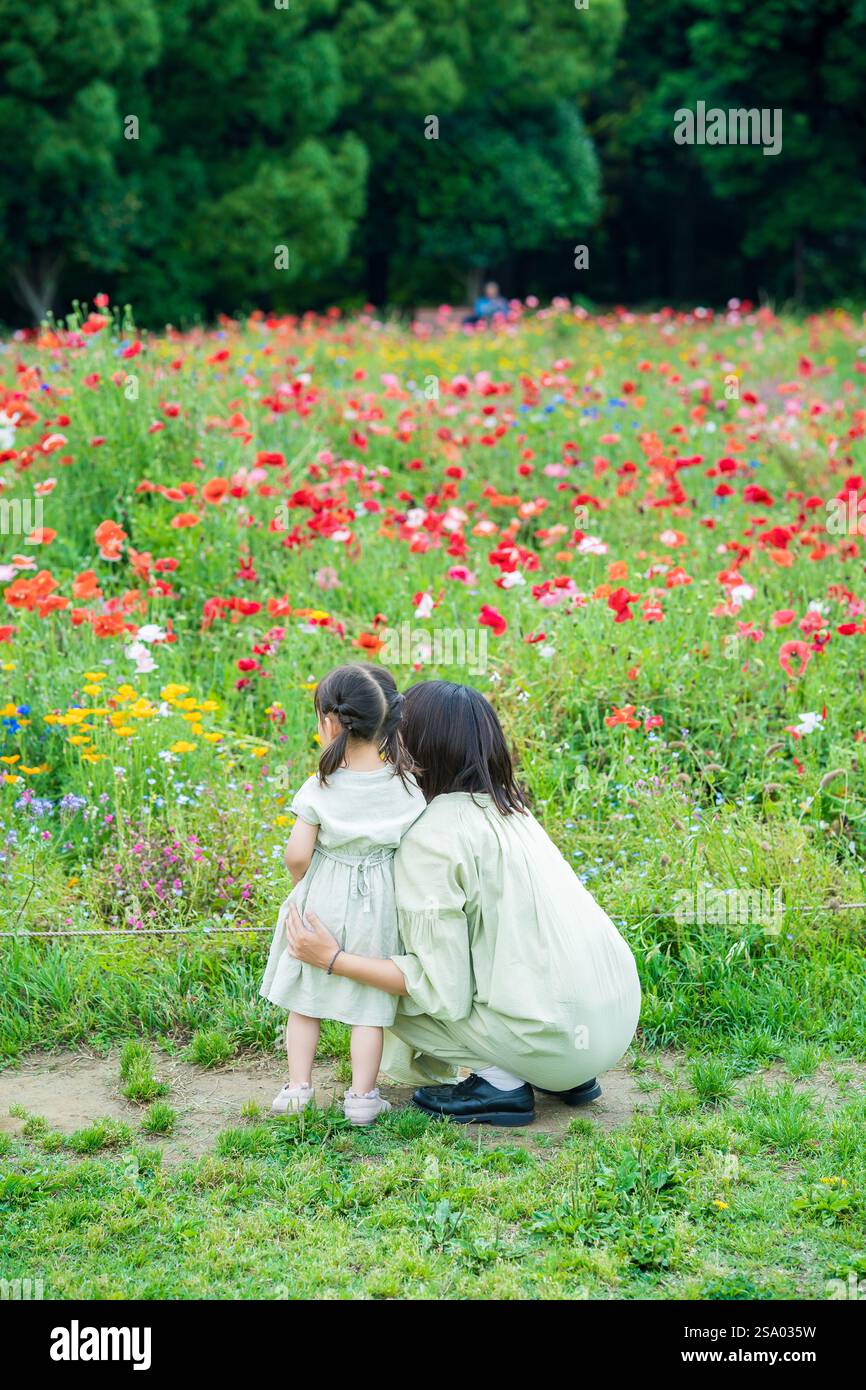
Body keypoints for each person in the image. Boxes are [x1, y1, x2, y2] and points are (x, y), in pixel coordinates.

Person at [284, 680, 642, 1127]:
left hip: (558, 1041)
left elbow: (440, 990)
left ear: (415, 745)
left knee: (380, 989)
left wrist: (333, 958)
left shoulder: (432, 837)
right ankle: (561, 1074)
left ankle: (503, 1082)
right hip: (611, 1025)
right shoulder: (511, 810)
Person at [260, 662, 425, 1126]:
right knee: (369, 1007)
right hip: (380, 901)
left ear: (331, 723)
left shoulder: (322, 784)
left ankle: (298, 1089)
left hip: (326, 890)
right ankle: (362, 1098)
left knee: (305, 998)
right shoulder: (406, 785)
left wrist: (303, 885)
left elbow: (297, 854)